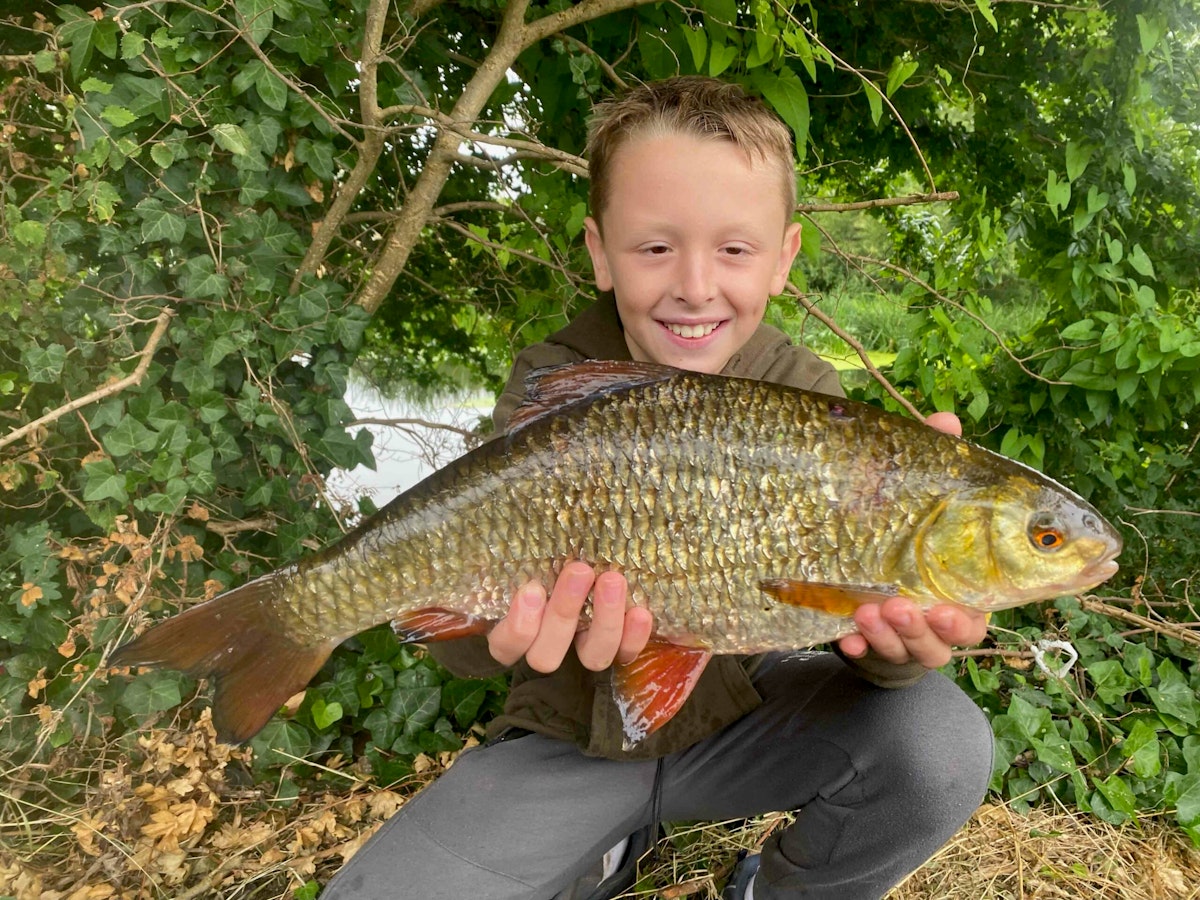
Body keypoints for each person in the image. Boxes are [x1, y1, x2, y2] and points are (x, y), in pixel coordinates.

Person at [320, 76, 994, 900]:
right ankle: (607, 846)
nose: (696, 286)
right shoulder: (552, 384)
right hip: (568, 738)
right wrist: (489, 632)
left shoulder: (811, 400)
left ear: (784, 258)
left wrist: (894, 657)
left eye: (734, 250)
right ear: (600, 252)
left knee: (939, 744)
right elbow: (458, 638)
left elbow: (847, 624)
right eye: (654, 248)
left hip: (741, 720)